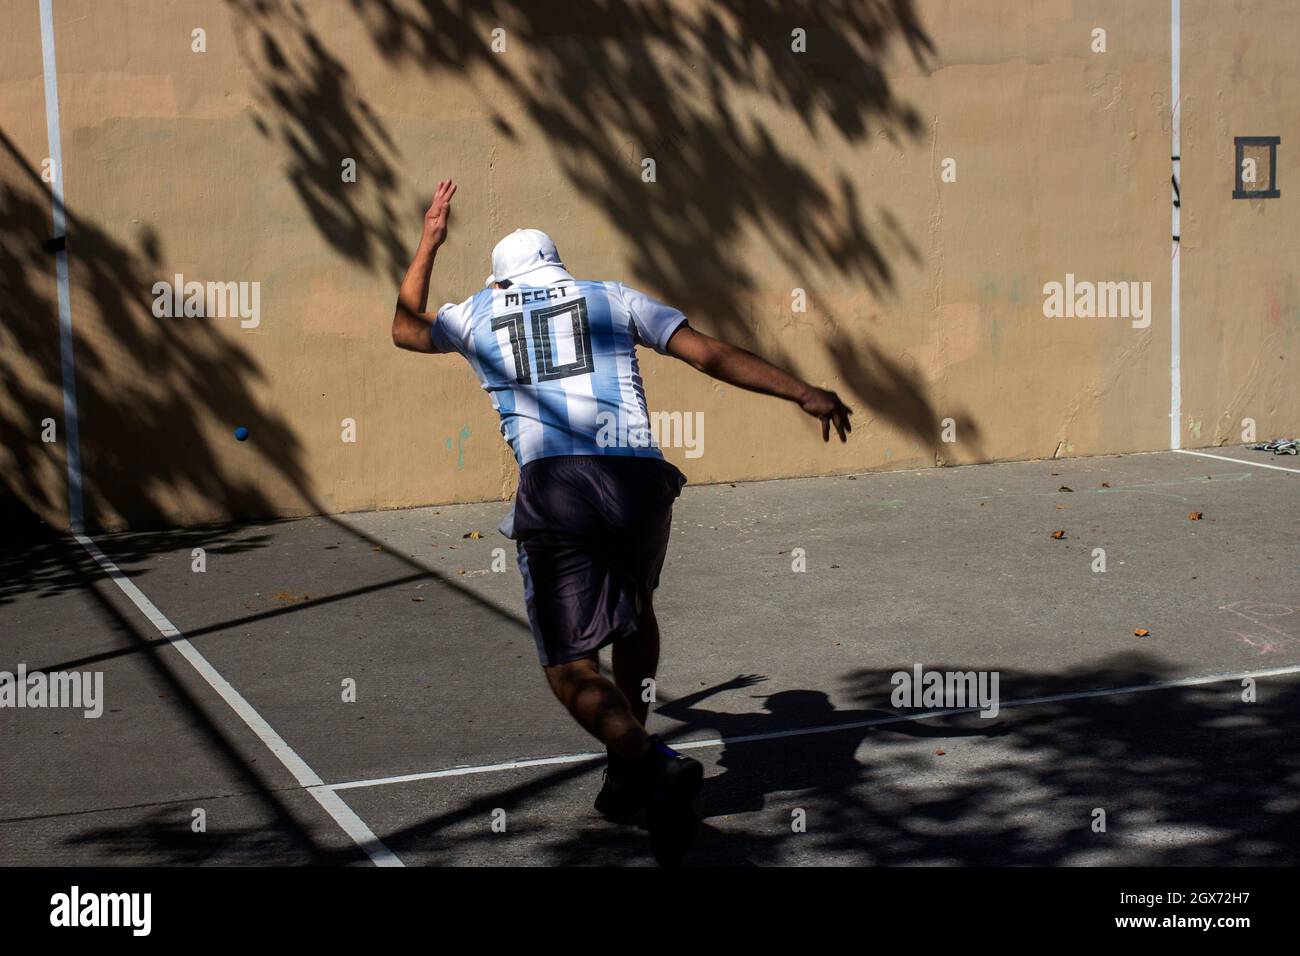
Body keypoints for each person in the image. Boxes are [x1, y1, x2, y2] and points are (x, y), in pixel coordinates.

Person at [392, 179, 852, 864]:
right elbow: (709, 353)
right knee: (634, 615)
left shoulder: (478, 312)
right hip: (640, 477)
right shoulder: (609, 296)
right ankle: (628, 771)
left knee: (566, 662)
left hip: (559, 485)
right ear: (557, 266)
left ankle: (649, 761)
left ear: (501, 277)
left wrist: (428, 241)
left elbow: (403, 328)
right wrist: (802, 390)